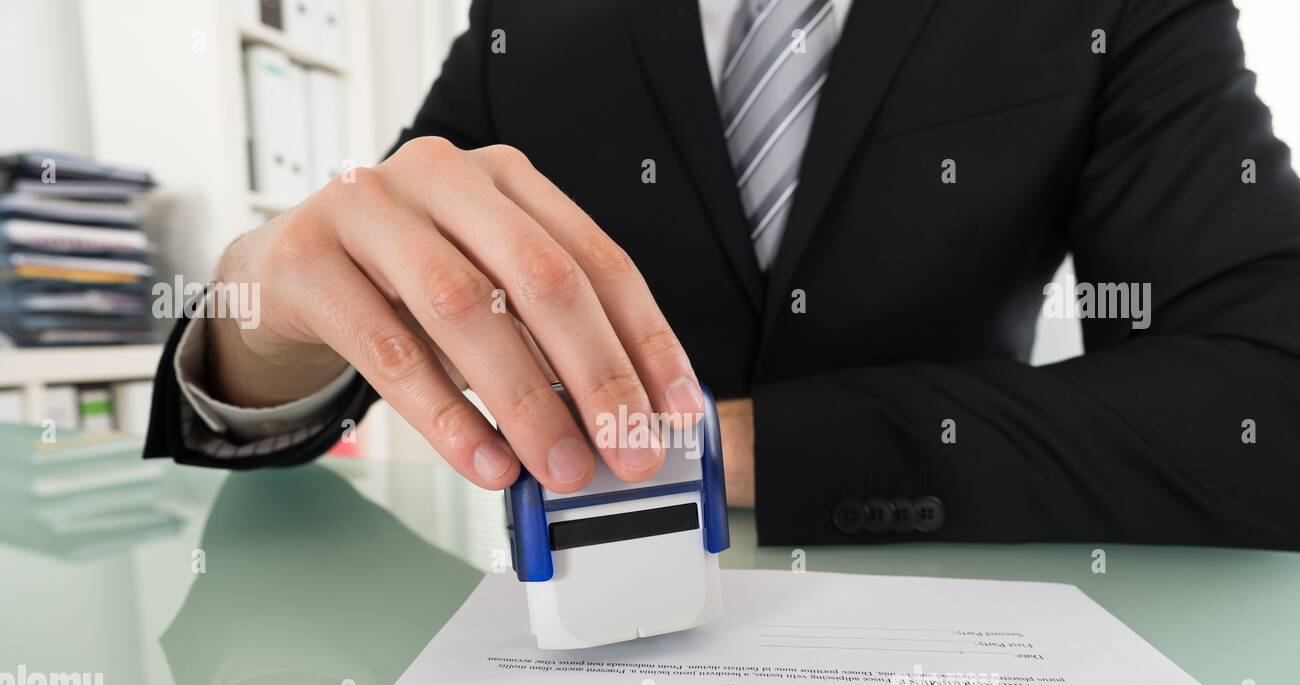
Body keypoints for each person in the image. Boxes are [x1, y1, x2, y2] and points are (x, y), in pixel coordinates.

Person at [145, 0, 1300, 547]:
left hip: (956, 604)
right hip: (574, 642)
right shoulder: (530, 20)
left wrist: (705, 447)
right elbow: (352, 317)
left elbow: (1271, 402)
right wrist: (264, 301)